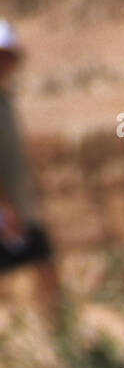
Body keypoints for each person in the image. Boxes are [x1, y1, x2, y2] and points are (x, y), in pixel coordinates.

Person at [0, 19, 62, 318]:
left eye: (8, 56)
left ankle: (62, 339)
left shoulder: (6, 100)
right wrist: (6, 207)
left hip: (20, 208)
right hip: (6, 211)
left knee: (45, 266)